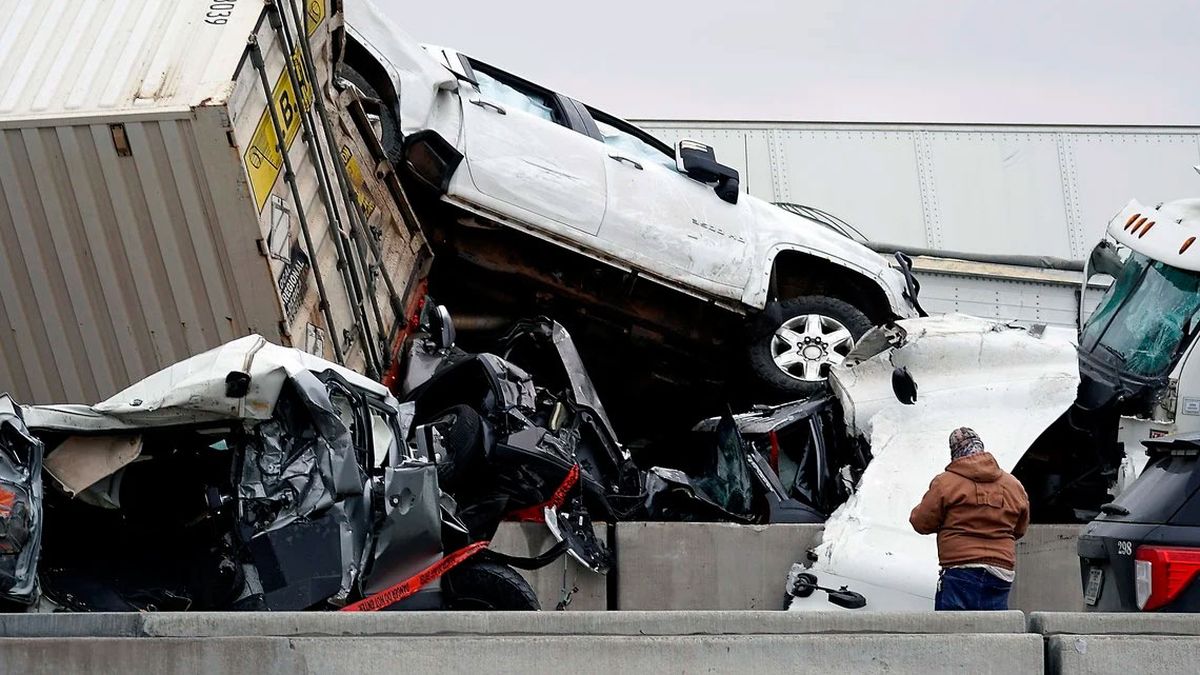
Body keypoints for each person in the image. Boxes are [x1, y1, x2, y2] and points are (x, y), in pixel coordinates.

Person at [909, 427, 1030, 611]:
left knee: (954, 627)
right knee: (994, 627)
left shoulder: (945, 482)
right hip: (1001, 572)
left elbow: (921, 523)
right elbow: (1019, 529)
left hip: (961, 568)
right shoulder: (1014, 485)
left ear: (954, 452)